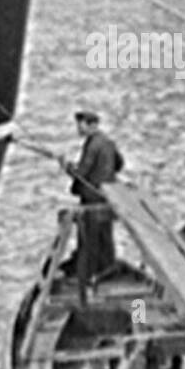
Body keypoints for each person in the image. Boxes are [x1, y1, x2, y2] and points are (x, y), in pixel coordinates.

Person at [60, 109, 123, 282]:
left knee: (88, 236)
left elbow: (82, 172)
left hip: (91, 197)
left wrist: (67, 167)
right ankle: (108, 266)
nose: (78, 130)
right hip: (107, 195)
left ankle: (89, 272)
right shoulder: (108, 142)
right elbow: (119, 163)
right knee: (105, 234)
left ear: (91, 125)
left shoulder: (92, 145)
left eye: (80, 126)